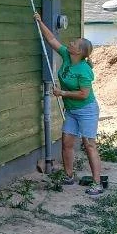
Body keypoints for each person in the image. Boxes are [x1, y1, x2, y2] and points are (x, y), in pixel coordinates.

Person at [34, 12, 103, 196]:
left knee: (89, 145)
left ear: (79, 52)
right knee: (66, 143)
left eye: (74, 43)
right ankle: (69, 176)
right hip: (72, 110)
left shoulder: (83, 69)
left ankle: (97, 183)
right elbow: (51, 40)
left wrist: (62, 92)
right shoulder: (66, 55)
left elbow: (84, 94)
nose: (70, 43)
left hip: (86, 110)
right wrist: (40, 21)